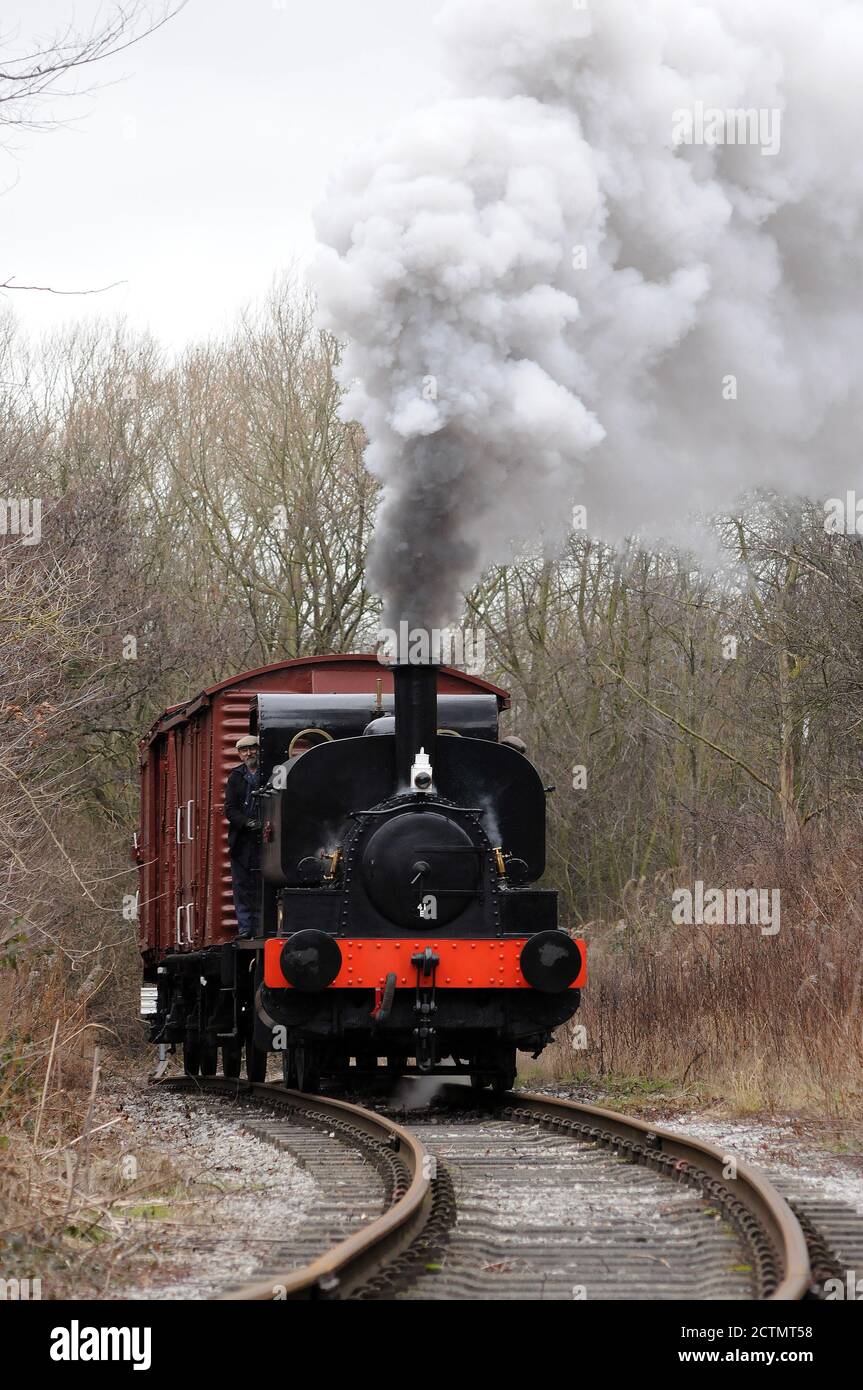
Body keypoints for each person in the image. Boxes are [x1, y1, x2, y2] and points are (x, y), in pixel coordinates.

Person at [225, 735, 262, 939]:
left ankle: (260, 927)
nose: (249, 753)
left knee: (261, 884)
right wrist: (247, 823)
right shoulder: (236, 777)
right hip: (242, 840)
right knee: (242, 885)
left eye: (252, 749)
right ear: (240, 754)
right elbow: (230, 809)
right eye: (245, 750)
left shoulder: (270, 773)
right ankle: (246, 928)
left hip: (265, 839)